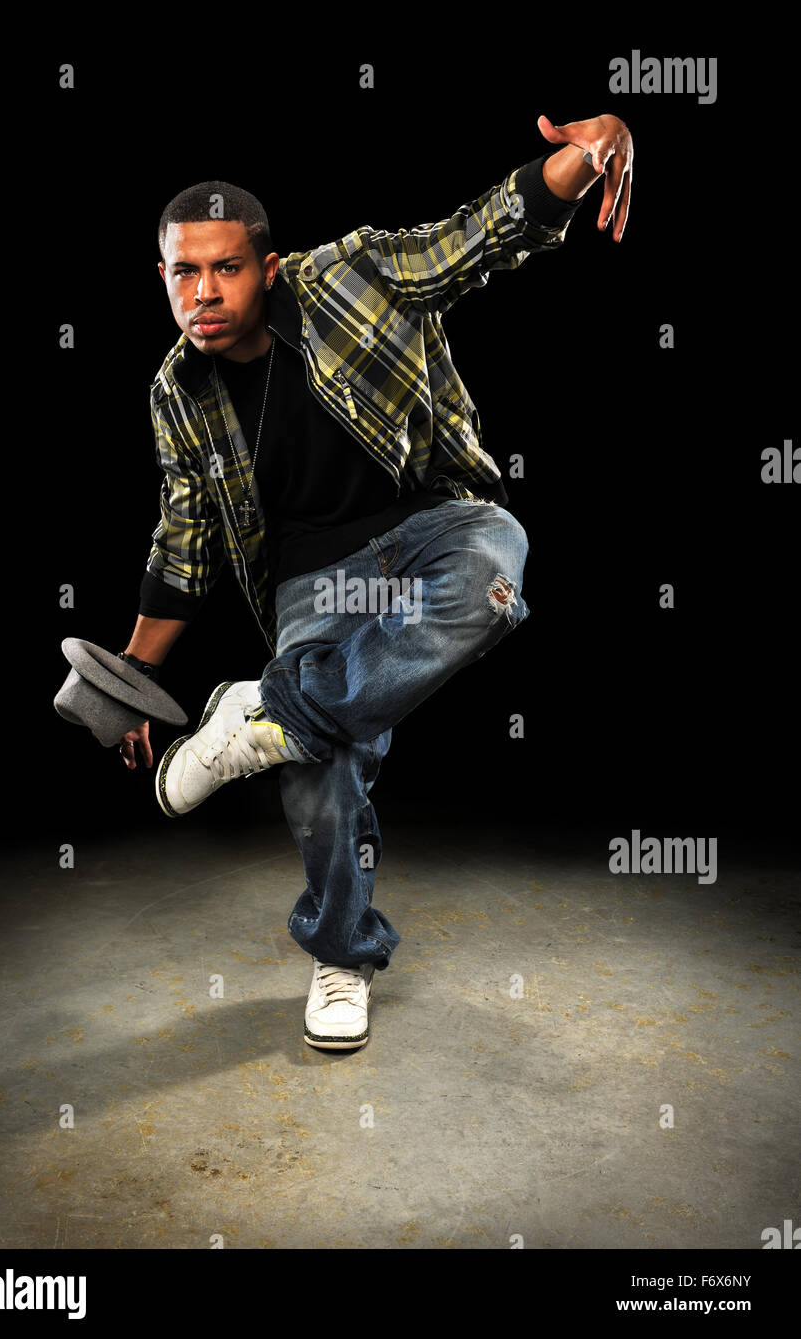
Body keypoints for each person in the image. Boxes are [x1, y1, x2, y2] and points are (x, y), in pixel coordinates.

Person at [117, 112, 633, 1050]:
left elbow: (476, 238)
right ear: (163, 278)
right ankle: (343, 954)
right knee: (323, 762)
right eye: (184, 272)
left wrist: (583, 159)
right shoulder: (174, 393)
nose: (204, 290)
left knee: (494, 567)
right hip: (313, 578)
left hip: (427, 526)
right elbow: (184, 542)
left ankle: (263, 710)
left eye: (225, 267)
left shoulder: (350, 275)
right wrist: (132, 682)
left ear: (267, 269)